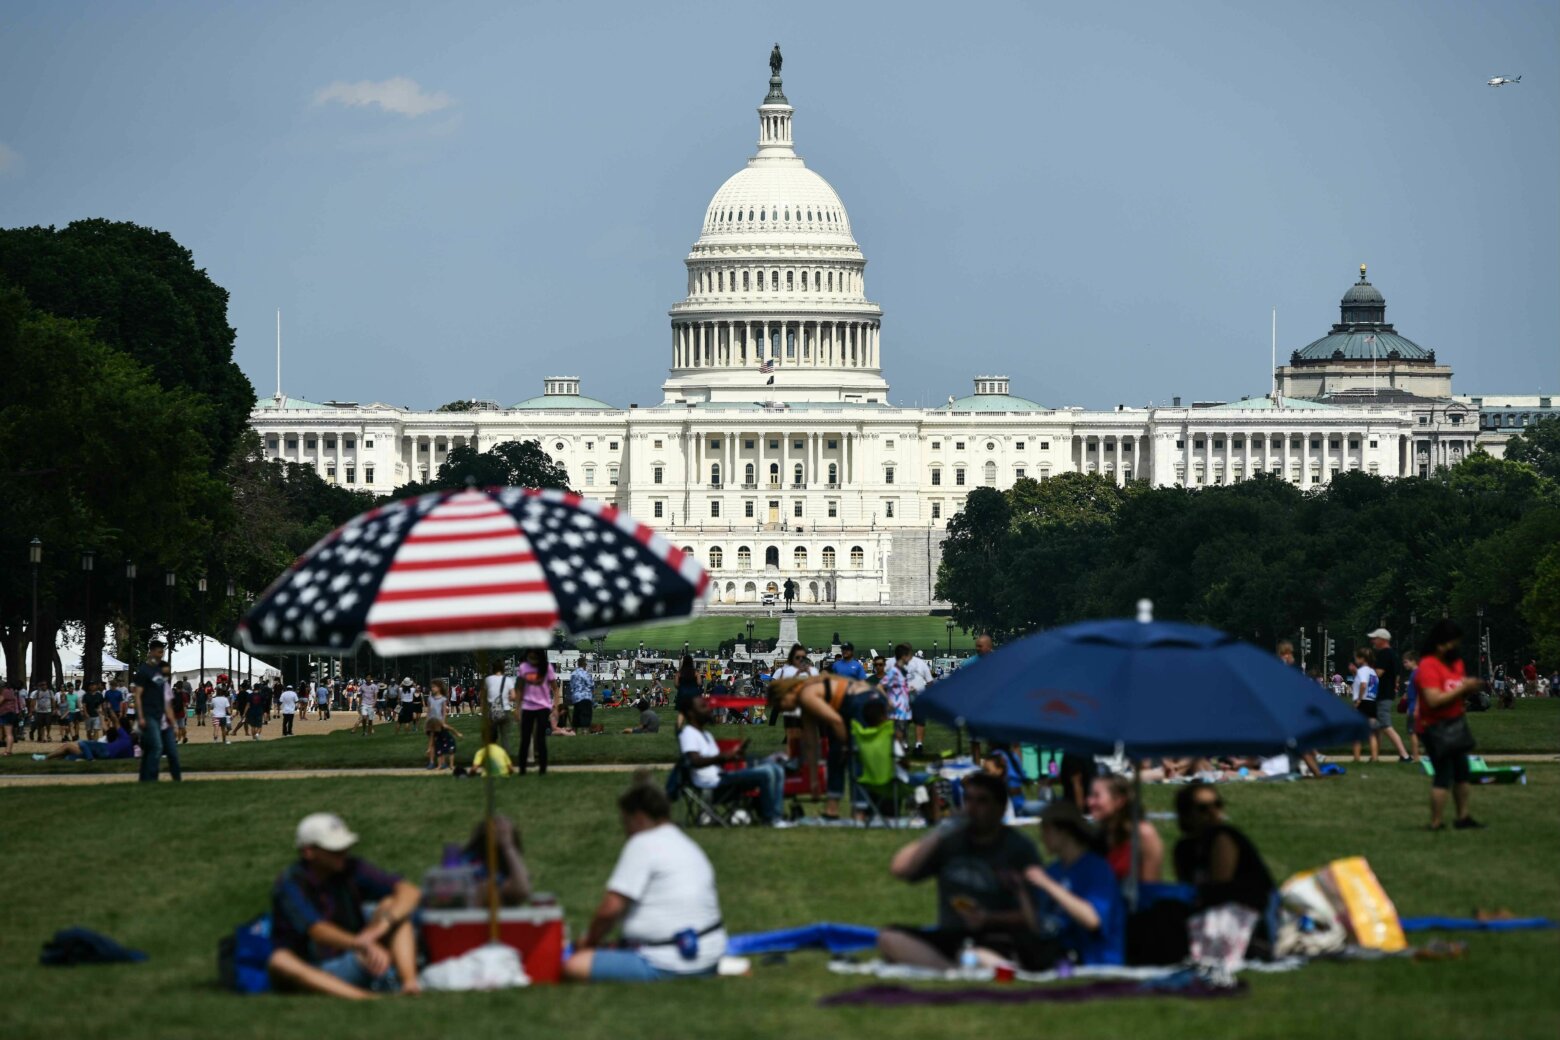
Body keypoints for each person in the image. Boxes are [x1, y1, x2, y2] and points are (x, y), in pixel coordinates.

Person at [878, 771, 1051, 970]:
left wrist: (988, 919)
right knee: (889, 937)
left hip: (999, 937)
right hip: (952, 936)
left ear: (1000, 808)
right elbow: (900, 869)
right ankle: (953, 970)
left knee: (991, 953)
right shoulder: (951, 841)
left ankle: (962, 965)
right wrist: (941, 830)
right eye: (968, 799)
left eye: (982, 801)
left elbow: (1034, 916)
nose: (972, 808)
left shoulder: (1018, 849)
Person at [562, 778, 727, 982]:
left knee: (575, 965)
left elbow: (610, 909)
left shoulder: (642, 843)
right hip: (708, 954)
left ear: (639, 818)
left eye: (625, 823)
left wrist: (589, 942)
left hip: (667, 959)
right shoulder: (687, 845)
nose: (625, 831)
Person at [267, 813, 423, 998]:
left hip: (357, 952)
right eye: (334, 849)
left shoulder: (351, 868)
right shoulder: (290, 883)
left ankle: (409, 984)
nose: (343, 852)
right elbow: (318, 931)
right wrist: (362, 944)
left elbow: (410, 891)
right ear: (309, 852)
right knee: (280, 960)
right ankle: (364, 998)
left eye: (344, 846)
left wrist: (381, 927)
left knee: (391, 906)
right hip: (318, 968)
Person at [1173, 782, 1277, 956]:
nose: (1213, 812)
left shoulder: (1223, 837)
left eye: (1217, 805)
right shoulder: (1183, 848)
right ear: (1186, 814)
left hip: (1244, 913)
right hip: (1211, 909)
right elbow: (1186, 886)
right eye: (1203, 808)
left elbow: (1220, 889)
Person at [1021, 800, 1127, 966]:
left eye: (1046, 830)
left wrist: (1048, 885)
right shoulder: (1053, 871)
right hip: (1053, 955)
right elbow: (1038, 927)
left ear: (1064, 832)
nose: (1042, 837)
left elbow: (1092, 920)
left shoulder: (1097, 869)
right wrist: (1020, 891)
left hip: (1094, 960)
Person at [768, 673, 887, 820]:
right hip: (858, 703)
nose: (782, 710)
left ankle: (860, 811)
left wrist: (845, 746)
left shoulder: (806, 695)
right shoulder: (805, 702)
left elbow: (836, 721)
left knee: (855, 756)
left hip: (864, 701)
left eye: (780, 705)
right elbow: (811, 744)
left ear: (785, 694)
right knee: (835, 755)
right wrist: (813, 782)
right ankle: (832, 809)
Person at [1417, 619, 1486, 831]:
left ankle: (1463, 817)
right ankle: (1436, 822)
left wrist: (1469, 689)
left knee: (1462, 773)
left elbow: (1456, 691)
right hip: (1434, 727)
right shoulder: (1428, 665)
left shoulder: (1456, 664)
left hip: (1456, 723)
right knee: (1443, 774)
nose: (1456, 647)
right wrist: (1462, 689)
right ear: (1440, 644)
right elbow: (1433, 700)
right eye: (1452, 643)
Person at [678, 694, 789, 827]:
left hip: (722, 776)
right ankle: (771, 818)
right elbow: (695, 761)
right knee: (768, 772)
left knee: (775, 768)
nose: (708, 709)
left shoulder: (706, 735)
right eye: (703, 706)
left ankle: (776, 816)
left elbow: (717, 760)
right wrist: (724, 756)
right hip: (712, 784)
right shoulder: (689, 733)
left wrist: (733, 754)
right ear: (691, 713)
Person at [1087, 774, 1163, 883]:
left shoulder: (1143, 835)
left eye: (1096, 796)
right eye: (1090, 795)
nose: (1090, 802)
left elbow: (1150, 886)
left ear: (1119, 801)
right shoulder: (1097, 836)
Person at [133, 641, 181, 783]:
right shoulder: (143, 671)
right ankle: (152, 780)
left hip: (160, 715)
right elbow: (137, 695)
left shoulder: (158, 672)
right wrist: (140, 717)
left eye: (163, 652)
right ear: (152, 652)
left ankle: (146, 779)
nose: (161, 655)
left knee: (151, 749)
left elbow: (164, 698)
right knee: (157, 747)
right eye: (159, 652)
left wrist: (172, 721)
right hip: (149, 714)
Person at [1367, 629, 1413, 762]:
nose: (1373, 641)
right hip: (1387, 693)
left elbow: (1378, 673)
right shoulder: (1393, 654)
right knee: (1377, 726)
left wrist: (1365, 671)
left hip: (1382, 694)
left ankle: (1404, 755)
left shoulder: (1384, 654)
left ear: (1383, 640)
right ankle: (1375, 756)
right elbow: (1396, 676)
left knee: (1385, 725)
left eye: (1375, 638)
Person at [33, 709, 135, 762]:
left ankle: (45, 758)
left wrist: (109, 711)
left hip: (98, 750)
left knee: (76, 744)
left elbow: (114, 723)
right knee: (68, 754)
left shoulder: (120, 735)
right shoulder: (127, 741)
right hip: (100, 752)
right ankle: (50, 759)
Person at [516, 649, 557, 775]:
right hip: (527, 707)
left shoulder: (547, 667)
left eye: (534, 658)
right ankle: (522, 769)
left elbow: (555, 688)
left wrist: (556, 706)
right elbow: (519, 689)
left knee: (540, 739)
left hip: (542, 707)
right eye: (530, 658)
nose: (532, 661)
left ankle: (542, 769)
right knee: (525, 739)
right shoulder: (523, 667)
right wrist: (517, 708)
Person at [1350, 647, 1379, 762]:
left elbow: (1363, 684)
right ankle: (1375, 757)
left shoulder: (1362, 670)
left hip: (1363, 702)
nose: (1355, 660)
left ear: (1362, 659)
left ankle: (1356, 758)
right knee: (1371, 733)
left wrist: (1358, 700)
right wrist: (1354, 673)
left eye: (1356, 658)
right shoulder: (1373, 672)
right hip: (1372, 701)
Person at [904, 648, 934, 754]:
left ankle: (912, 744)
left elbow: (929, 681)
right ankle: (915, 744)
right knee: (914, 722)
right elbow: (930, 682)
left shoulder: (906, 664)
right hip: (911, 696)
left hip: (912, 696)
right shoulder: (922, 664)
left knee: (910, 722)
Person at [882, 645, 913, 743]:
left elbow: (897, 687)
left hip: (903, 710)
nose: (910, 658)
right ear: (903, 656)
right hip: (897, 711)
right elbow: (880, 686)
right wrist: (888, 700)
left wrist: (908, 689)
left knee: (902, 738)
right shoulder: (894, 671)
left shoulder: (901, 671)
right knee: (898, 739)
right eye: (909, 656)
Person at [1401, 649, 1423, 760]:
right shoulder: (1414, 674)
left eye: (1406, 662)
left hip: (1414, 706)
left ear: (1413, 661)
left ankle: (1416, 757)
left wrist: (1416, 708)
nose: (1404, 664)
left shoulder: (1416, 673)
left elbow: (1420, 691)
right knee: (1417, 733)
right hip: (1413, 705)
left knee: (1412, 732)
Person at [673, 654, 701, 728]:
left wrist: (681, 687)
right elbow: (699, 683)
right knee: (693, 711)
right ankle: (694, 728)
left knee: (682, 712)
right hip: (694, 693)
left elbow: (676, 684)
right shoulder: (696, 672)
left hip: (683, 692)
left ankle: (678, 727)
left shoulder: (679, 673)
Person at [569, 658, 596, 732]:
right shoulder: (585, 673)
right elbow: (591, 685)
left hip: (576, 698)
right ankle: (585, 732)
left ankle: (574, 732)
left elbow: (571, 686)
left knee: (576, 718)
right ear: (584, 664)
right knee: (585, 718)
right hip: (585, 697)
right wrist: (593, 699)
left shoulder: (573, 674)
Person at [0, 682, 19, 756]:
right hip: (9, 713)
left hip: (7, 713)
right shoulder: (11, 691)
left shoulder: (5, 692)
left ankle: (8, 751)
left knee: (8, 733)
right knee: (8, 733)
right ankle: (7, 750)